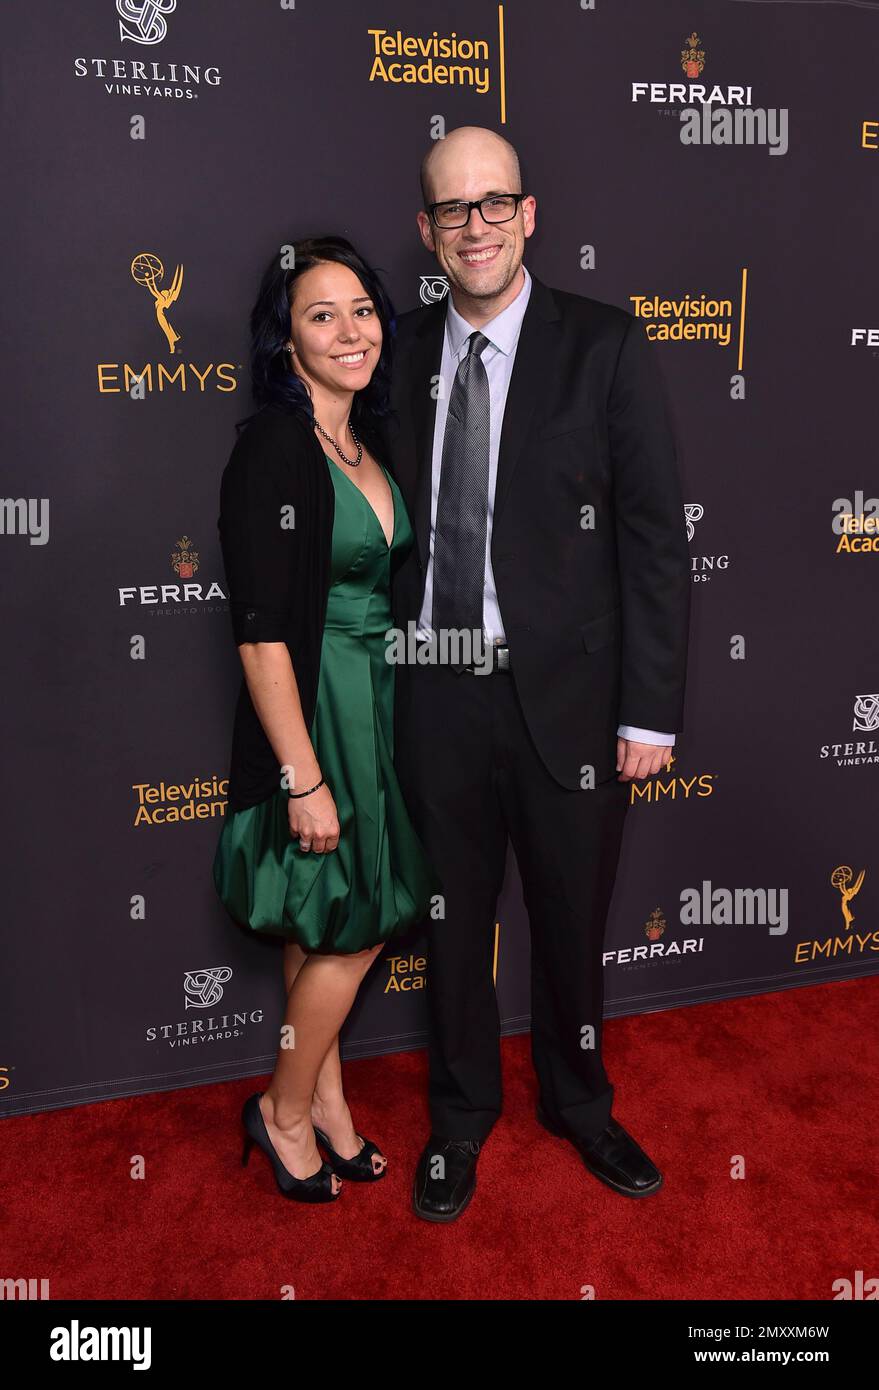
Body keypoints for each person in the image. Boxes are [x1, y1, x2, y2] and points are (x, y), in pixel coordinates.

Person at [387, 127, 692, 1221]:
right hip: (432, 688)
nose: (476, 225)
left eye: (494, 202)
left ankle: (581, 1103)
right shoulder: (397, 350)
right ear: (426, 230)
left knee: (571, 922)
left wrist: (650, 711)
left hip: (568, 699)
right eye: (452, 208)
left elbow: (656, 539)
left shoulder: (604, 347)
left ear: (530, 216)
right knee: (451, 927)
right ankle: (460, 1118)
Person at [213, 236, 438, 1204]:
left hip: (378, 703)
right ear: (286, 339)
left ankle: (330, 1106)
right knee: (355, 928)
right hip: (315, 714)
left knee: (323, 923)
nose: (351, 332)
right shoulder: (273, 445)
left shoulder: (370, 441)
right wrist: (301, 775)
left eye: (362, 309)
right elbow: (261, 634)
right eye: (321, 314)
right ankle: (283, 1110)